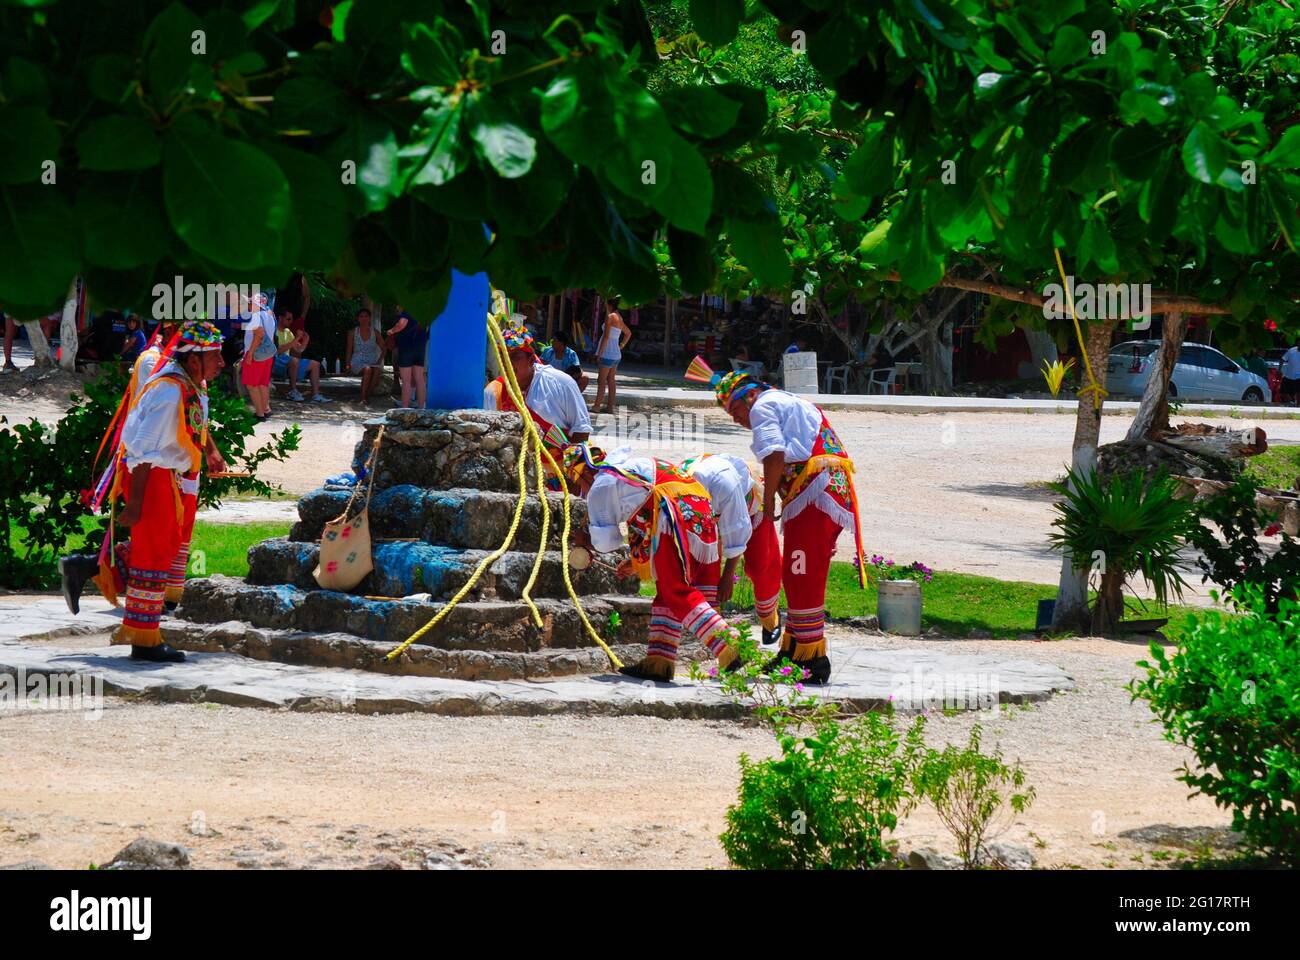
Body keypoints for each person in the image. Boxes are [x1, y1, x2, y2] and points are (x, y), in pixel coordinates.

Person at [57, 321, 228, 662]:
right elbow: (144, 450)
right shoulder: (169, 391)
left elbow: (185, 432)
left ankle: (88, 568)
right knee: (152, 553)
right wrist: (136, 503)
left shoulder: (187, 385)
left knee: (161, 549)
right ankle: (144, 640)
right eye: (216, 355)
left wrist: (207, 452)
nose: (222, 362)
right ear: (194, 360)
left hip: (166, 478)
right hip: (153, 478)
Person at [690, 361, 867, 685]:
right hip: (818, 493)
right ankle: (794, 650)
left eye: (736, 410)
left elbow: (773, 455)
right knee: (797, 571)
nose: (738, 419)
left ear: (750, 396)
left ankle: (813, 658)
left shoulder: (764, 405)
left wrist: (769, 496)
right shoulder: (782, 401)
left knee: (802, 572)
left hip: (815, 494)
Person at [564, 443, 743, 682]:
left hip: (671, 515)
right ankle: (659, 661)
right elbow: (642, 513)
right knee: (667, 589)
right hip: (696, 507)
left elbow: (606, 543)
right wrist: (636, 560)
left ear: (584, 473)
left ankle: (728, 644)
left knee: (675, 590)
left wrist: (585, 540)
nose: (581, 489)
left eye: (577, 483)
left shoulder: (602, 482)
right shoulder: (622, 469)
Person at [681, 453, 783, 644]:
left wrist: (728, 577)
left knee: (760, 565)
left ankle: (771, 617)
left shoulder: (725, 486)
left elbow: (738, 533)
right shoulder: (679, 488)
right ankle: (711, 626)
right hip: (707, 514)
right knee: (704, 559)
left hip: (747, 504)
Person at [484, 324, 591, 469]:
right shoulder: (493, 392)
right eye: (503, 356)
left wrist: (574, 471)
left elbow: (581, 429)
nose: (507, 362)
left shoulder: (561, 383)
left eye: (515, 356)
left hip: (558, 473)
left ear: (531, 359)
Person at [273, 308, 331, 403]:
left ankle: (315, 395)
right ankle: (293, 391)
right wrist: (296, 339)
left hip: (289, 361)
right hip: (277, 361)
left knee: (315, 364)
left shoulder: (288, 332)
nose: (291, 321)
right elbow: (277, 351)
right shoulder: (273, 330)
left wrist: (305, 340)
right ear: (280, 318)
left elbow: (299, 350)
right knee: (294, 360)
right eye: (288, 319)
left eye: (291, 319)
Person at [240, 295, 277, 419]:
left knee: (251, 385)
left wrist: (250, 354)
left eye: (249, 302)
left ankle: (259, 413)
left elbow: (259, 334)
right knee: (262, 383)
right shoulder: (269, 315)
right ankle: (266, 409)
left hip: (256, 354)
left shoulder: (255, 316)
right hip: (268, 354)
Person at [593, 296, 631, 414]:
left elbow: (606, 336)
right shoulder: (619, 317)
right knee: (611, 380)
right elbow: (628, 333)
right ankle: (610, 407)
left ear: (609, 305)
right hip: (616, 354)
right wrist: (622, 345)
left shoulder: (610, 317)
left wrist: (599, 353)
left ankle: (597, 406)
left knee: (601, 380)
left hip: (607, 353)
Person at [386, 306, 427, 408]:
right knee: (420, 379)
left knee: (406, 380)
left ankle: (405, 408)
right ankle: (421, 408)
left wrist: (392, 331)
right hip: (420, 347)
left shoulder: (408, 310)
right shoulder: (423, 311)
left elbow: (401, 324)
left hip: (407, 348)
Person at [345, 307, 385, 404]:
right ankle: (363, 397)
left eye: (366, 316)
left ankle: (367, 395)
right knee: (368, 369)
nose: (364, 318)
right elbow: (349, 349)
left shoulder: (375, 333)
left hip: (371, 360)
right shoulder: (353, 332)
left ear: (370, 318)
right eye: (361, 316)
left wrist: (379, 360)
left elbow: (384, 348)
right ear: (358, 319)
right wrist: (347, 365)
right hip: (357, 361)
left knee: (376, 370)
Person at [1282, 340, 1300, 405]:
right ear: (1298, 343)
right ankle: (1290, 402)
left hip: (1299, 376)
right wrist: (1279, 369)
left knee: (1298, 392)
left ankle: (1298, 406)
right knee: (1283, 391)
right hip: (1289, 375)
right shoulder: (1291, 350)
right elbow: (1283, 359)